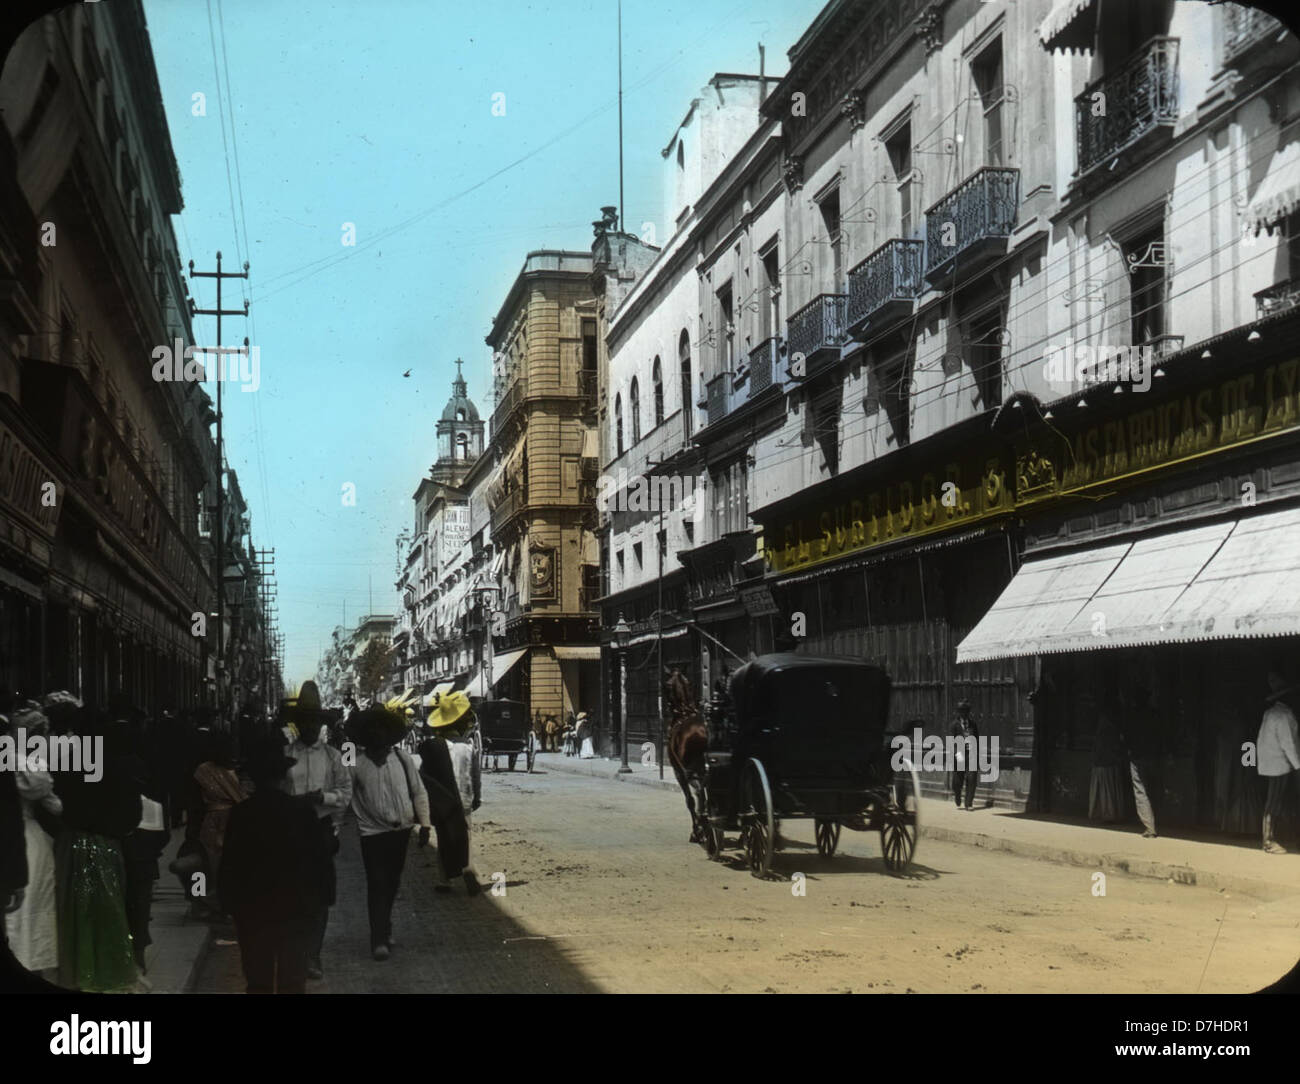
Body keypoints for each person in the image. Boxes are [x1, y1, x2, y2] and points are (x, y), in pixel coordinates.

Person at [221, 736, 331, 994]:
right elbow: (321, 861)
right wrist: (322, 900)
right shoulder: (302, 812)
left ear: (253, 781)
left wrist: (228, 904)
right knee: (292, 979)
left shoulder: (242, 813)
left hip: (254, 911)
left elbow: (230, 862)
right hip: (296, 909)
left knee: (258, 979)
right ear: (284, 778)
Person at [54, 716, 141, 992]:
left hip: (71, 846)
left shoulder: (65, 764)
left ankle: (79, 971)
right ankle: (109, 970)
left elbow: (53, 806)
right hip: (106, 846)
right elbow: (131, 814)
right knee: (108, 908)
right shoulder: (117, 765)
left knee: (74, 911)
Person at [280, 680, 351, 981]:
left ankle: (314, 956)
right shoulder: (285, 755)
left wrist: (324, 798)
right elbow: (276, 792)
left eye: (314, 722)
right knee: (293, 894)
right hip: (290, 832)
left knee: (320, 896)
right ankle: (294, 953)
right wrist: (294, 803)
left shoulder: (334, 757)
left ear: (321, 725)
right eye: (304, 721)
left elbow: (346, 793)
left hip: (321, 832)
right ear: (297, 724)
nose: (309, 727)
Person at [349, 706, 431, 960]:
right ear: (365, 733)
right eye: (372, 728)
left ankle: (385, 926)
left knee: (392, 882)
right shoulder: (355, 762)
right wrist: (333, 828)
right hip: (371, 833)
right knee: (377, 884)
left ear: (389, 732)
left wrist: (425, 823)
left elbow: (418, 791)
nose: (378, 733)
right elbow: (344, 794)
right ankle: (378, 940)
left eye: (382, 728)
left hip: (401, 831)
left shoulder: (402, 758)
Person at [3, 704, 62, 979]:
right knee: (29, 908)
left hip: (22, 837)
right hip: (25, 840)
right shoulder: (26, 763)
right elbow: (54, 805)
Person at [417, 692, 481, 896]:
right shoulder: (469, 748)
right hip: (464, 798)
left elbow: (426, 777)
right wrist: (477, 796)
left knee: (444, 837)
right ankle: (468, 868)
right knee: (465, 836)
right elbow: (475, 776)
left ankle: (444, 880)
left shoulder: (437, 748)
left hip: (444, 800)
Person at [194, 731, 246, 913]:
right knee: (207, 864)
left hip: (235, 823)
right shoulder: (204, 772)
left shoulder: (241, 771)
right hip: (212, 825)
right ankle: (202, 901)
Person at [1257, 671, 1300, 854]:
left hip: (1269, 763)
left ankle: (1269, 838)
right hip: (1280, 765)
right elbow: (1288, 743)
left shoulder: (1270, 713)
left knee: (1273, 802)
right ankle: (1268, 840)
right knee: (1274, 802)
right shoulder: (1284, 715)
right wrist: (1298, 765)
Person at [1122, 686, 1162, 838]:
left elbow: (1127, 735)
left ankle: (1150, 827)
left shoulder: (1132, 716)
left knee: (1141, 790)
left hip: (1138, 756)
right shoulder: (1154, 715)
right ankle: (1158, 820)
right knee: (1154, 788)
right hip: (1153, 755)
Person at [1089, 694, 1127, 824]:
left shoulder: (1103, 724)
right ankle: (1110, 813)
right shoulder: (1111, 724)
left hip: (1103, 760)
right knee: (1110, 788)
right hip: (1109, 760)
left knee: (1105, 789)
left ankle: (1106, 813)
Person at [949, 700, 980, 811]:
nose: (964, 714)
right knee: (957, 782)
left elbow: (977, 739)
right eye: (962, 711)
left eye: (966, 711)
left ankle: (969, 803)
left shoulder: (973, 724)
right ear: (959, 713)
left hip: (971, 755)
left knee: (972, 779)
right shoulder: (954, 725)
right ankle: (957, 796)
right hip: (959, 755)